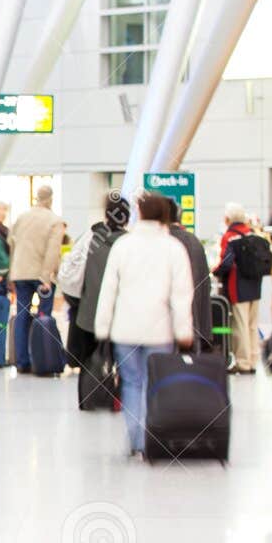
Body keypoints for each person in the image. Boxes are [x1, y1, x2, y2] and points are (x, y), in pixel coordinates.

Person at [94, 193, 196, 457]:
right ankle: (151, 437)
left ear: (139, 214)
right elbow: (182, 294)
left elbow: (108, 290)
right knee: (154, 383)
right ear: (165, 216)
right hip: (159, 330)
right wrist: (183, 330)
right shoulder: (173, 248)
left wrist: (102, 326)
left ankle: (135, 440)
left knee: (131, 383)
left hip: (125, 329)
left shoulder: (123, 246)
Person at [62, 194, 128, 369]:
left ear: (106, 214)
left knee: (90, 364)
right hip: (120, 312)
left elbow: (70, 270)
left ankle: (90, 393)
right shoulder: (129, 243)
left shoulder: (90, 237)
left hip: (89, 312)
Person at [7, 184, 65, 372]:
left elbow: (11, 245)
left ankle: (22, 362)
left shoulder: (21, 218)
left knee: (22, 315)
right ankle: (42, 360)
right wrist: (47, 276)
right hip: (41, 274)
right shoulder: (54, 221)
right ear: (51, 199)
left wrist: (11, 272)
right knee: (43, 316)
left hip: (20, 272)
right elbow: (53, 251)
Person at [215, 203, 270, 375]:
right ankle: (253, 360)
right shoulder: (253, 233)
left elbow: (227, 263)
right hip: (255, 285)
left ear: (228, 219)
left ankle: (243, 363)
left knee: (240, 325)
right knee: (253, 325)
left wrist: (215, 271)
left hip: (237, 287)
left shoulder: (230, 237)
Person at [167, 200, 213, 353]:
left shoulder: (164, 241)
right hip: (195, 322)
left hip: (165, 325)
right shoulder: (194, 241)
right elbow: (206, 282)